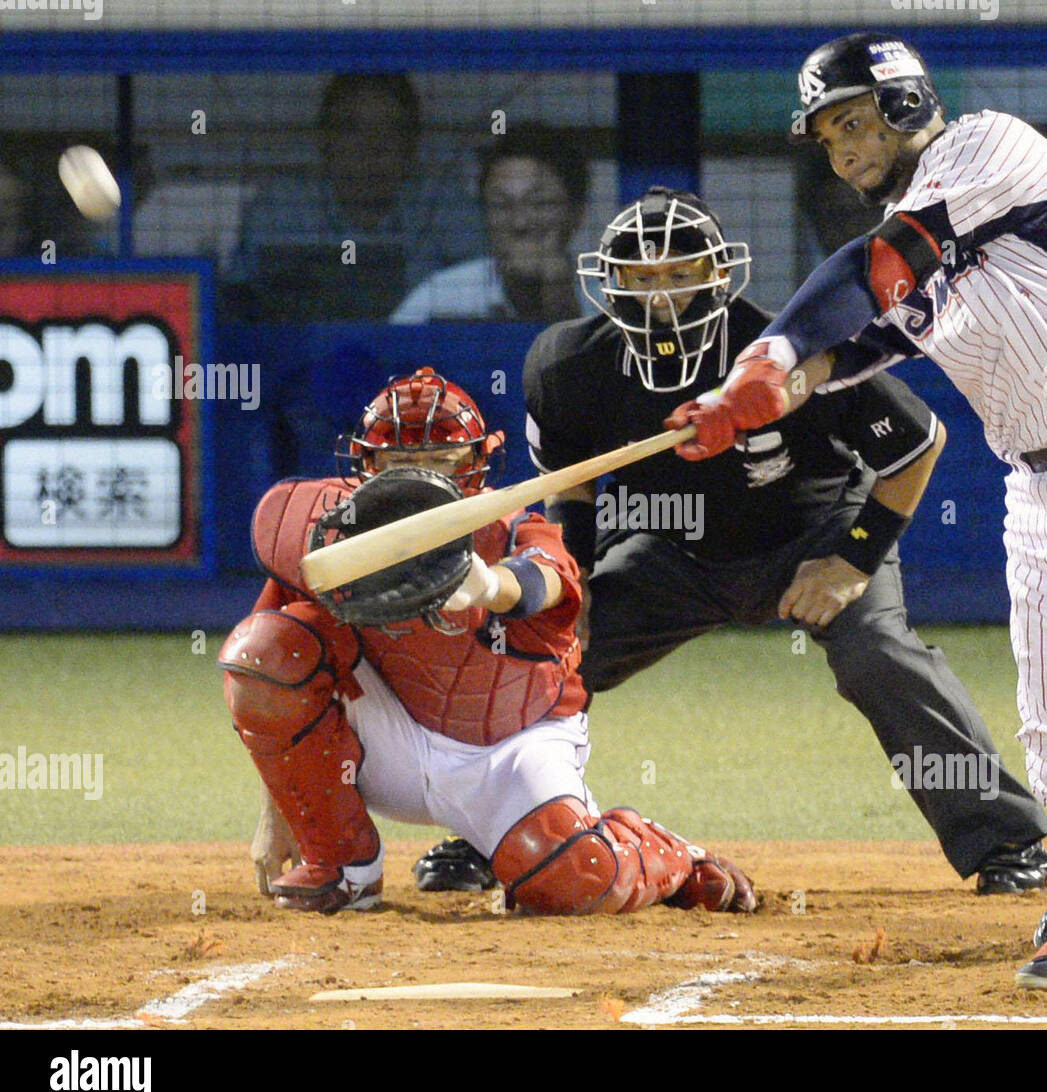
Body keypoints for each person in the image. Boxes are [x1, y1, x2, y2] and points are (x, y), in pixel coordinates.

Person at [668, 34, 1047, 992]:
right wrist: (765, 398)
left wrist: (765, 357)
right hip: (1045, 485)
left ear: (905, 105)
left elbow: (874, 269)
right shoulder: (917, 236)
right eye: (825, 137)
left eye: (854, 121)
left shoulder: (985, 149)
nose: (843, 149)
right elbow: (859, 345)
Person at [416, 186, 1047, 897]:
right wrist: (577, 585)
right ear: (609, 279)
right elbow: (572, 489)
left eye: (681, 273)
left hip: (814, 538)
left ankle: (1006, 842)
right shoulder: (568, 366)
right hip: (675, 554)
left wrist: (852, 562)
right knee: (546, 649)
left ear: (719, 275)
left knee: (879, 655)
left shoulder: (789, 353)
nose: (662, 295)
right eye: (641, 276)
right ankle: (491, 833)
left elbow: (918, 445)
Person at [220, 368, 755, 917]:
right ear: (367, 467)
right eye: (400, 461)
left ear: (475, 465)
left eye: (440, 461)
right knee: (263, 649)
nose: (418, 478)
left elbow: (546, 582)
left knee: (574, 878)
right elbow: (263, 678)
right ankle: (342, 867)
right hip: (385, 742)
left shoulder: (517, 532)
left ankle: (665, 853)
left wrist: (489, 584)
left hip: (509, 748)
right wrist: (279, 809)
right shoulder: (331, 538)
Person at [225, 74, 483, 321]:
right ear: (324, 140)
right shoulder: (281, 209)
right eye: (352, 129)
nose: (370, 147)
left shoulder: (445, 207)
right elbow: (237, 306)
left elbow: (482, 300)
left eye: (389, 130)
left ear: (412, 146)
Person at [390, 127, 588, 322]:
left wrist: (562, 300)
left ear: (576, 212)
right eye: (501, 205)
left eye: (540, 203)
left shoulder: (612, 296)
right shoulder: (440, 296)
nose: (520, 222)